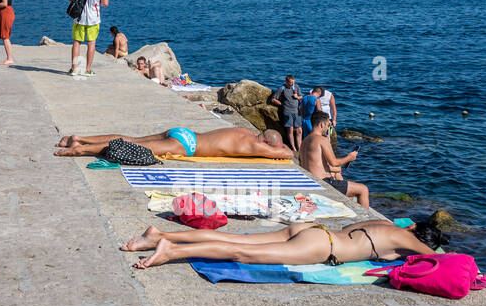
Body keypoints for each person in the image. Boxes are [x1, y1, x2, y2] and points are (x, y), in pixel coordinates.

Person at [120, 214, 447, 269]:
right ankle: (171, 251)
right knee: (239, 254)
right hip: (323, 248)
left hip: (313, 229)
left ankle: (160, 235)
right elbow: (439, 260)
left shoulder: (384, 224)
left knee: (235, 239)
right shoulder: (407, 241)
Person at [55, 125, 292, 161]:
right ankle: (80, 149)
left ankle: (80, 137)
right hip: (186, 147)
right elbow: (287, 154)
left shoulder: (244, 131)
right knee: (134, 148)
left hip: (184, 131)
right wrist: (278, 147)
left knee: (131, 139)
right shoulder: (256, 146)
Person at [300, 111, 369, 206]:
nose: (328, 128)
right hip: (323, 183)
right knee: (363, 189)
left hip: (310, 181)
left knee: (341, 180)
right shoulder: (321, 139)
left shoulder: (305, 141)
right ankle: (367, 219)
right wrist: (349, 157)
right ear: (321, 124)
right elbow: (334, 162)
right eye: (328, 125)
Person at [68, 0, 108, 78]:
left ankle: (74, 69)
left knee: (76, 42)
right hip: (94, 18)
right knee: (91, 44)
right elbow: (105, 3)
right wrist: (96, 2)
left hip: (79, 17)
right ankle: (87, 69)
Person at [268, 75, 303, 153]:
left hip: (296, 111)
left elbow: (301, 97)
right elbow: (273, 99)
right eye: (290, 83)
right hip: (287, 112)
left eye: (293, 82)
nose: (292, 84)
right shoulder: (282, 88)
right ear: (286, 82)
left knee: (299, 130)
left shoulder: (296, 87)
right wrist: (282, 104)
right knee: (290, 130)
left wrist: (297, 97)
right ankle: (293, 148)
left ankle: (300, 148)